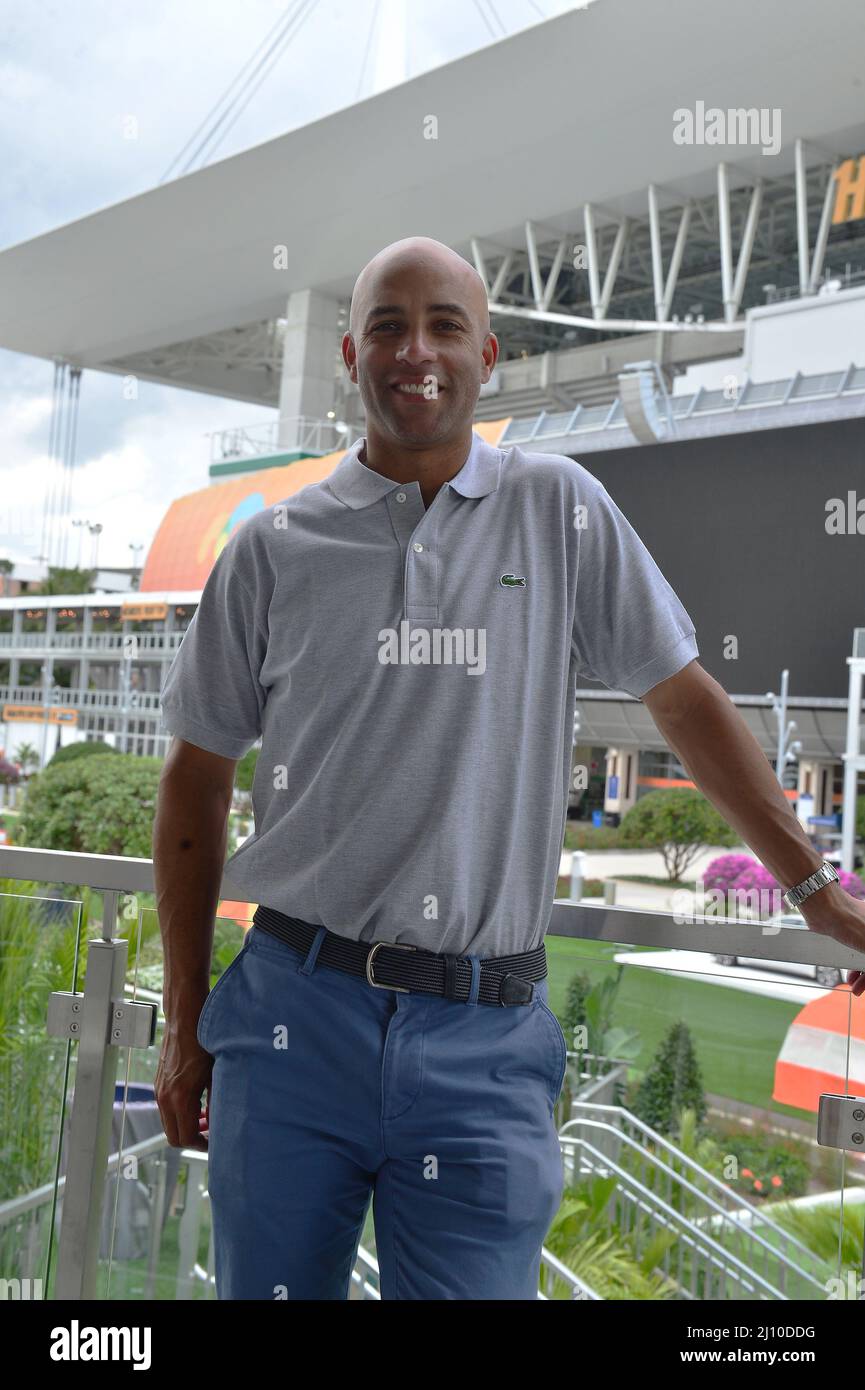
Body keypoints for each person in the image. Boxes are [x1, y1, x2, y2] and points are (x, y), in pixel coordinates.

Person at [153, 236, 865, 1301]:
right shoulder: (274, 547)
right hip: (293, 1024)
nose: (416, 349)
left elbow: (684, 701)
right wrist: (183, 1016)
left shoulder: (560, 506)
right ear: (348, 355)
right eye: (387, 326)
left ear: (485, 355)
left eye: (444, 324)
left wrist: (815, 890)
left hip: (484, 1045)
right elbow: (195, 777)